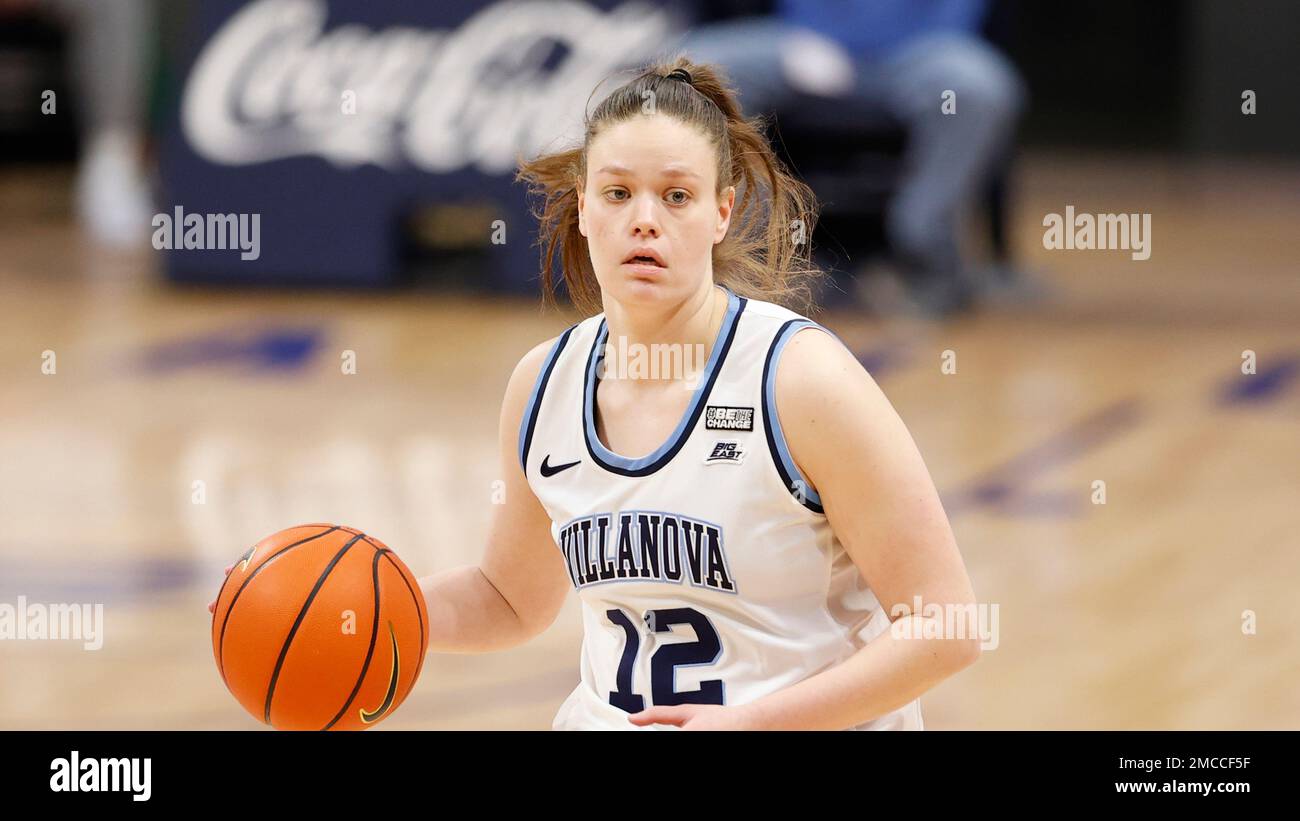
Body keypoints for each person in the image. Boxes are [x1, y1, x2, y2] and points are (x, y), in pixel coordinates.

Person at [210, 58, 980, 731]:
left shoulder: (801, 380)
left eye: (676, 197)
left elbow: (946, 625)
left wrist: (752, 724)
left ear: (722, 211)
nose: (644, 219)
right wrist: (367, 608)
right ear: (582, 206)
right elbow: (510, 598)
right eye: (618, 193)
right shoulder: (542, 383)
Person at [677, 0, 1027, 316]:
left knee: (980, 86)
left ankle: (924, 257)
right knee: (699, 66)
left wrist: (859, 45)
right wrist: (811, 40)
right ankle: (752, 254)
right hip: (805, 44)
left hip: (925, 50)